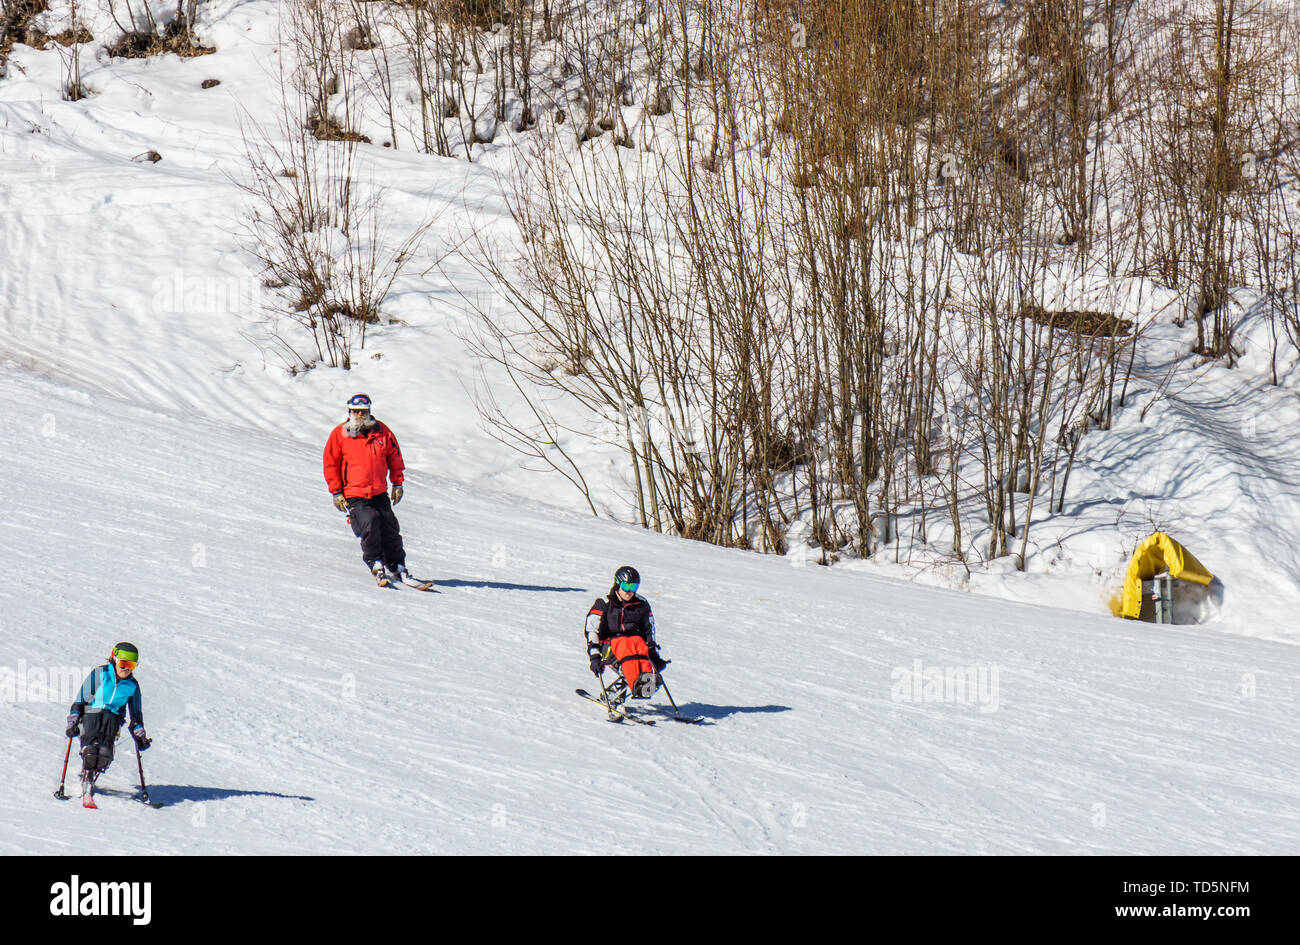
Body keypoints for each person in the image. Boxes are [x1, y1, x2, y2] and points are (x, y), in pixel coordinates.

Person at [323, 393, 409, 585]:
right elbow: (330, 464)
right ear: (350, 412)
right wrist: (336, 492)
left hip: (378, 490)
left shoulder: (382, 432)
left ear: (369, 411)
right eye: (355, 411)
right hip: (354, 492)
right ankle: (375, 561)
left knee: (390, 527)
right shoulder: (340, 434)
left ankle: (397, 565)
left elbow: (395, 458)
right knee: (369, 523)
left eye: (362, 411)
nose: (359, 414)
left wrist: (397, 483)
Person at [65, 642, 150, 807]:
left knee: (105, 752)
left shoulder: (132, 686)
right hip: (92, 711)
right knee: (91, 745)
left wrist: (140, 734)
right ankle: (87, 773)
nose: (126, 669)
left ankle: (94, 769)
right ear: (114, 659)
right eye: (123, 664)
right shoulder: (101, 674)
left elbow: (136, 715)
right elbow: (80, 700)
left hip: (114, 716)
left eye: (131, 665)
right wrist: (74, 720)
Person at [584, 565, 668, 703]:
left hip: (635, 646)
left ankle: (647, 682)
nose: (630, 592)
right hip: (608, 647)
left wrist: (653, 652)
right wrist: (594, 656)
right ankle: (636, 683)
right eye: (626, 587)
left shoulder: (641, 603)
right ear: (617, 584)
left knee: (637, 641)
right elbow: (591, 630)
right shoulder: (604, 603)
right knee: (625, 642)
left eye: (634, 587)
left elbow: (648, 629)